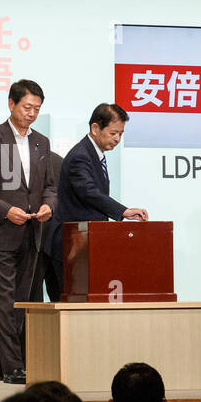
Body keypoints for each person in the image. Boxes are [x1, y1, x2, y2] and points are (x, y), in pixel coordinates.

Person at [0, 79, 57, 384]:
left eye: (37, 109)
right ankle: (13, 366)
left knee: (20, 301)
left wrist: (49, 206)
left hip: (33, 231)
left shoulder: (41, 142)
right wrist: (6, 210)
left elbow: (49, 186)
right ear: (11, 103)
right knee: (6, 302)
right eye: (26, 107)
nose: (32, 113)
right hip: (1, 232)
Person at [43, 103, 148, 300]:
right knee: (69, 309)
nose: (117, 139)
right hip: (69, 246)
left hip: (85, 244)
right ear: (95, 128)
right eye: (113, 133)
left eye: (121, 134)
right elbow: (88, 192)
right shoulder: (80, 156)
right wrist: (123, 211)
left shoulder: (95, 155)